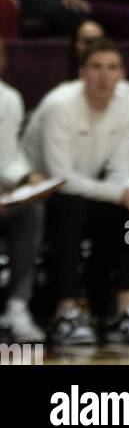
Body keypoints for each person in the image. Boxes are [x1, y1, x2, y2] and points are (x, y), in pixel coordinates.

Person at [22, 39, 129, 346]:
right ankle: (66, 311)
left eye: (112, 68)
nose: (104, 76)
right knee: (71, 209)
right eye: (96, 67)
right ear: (82, 72)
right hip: (42, 191)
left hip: (91, 190)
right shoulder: (60, 105)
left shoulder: (127, 103)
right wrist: (119, 192)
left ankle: (125, 309)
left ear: (123, 73)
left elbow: (120, 168)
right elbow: (61, 178)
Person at [0, 32, 49, 342]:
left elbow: (6, 159)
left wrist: (25, 178)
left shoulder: (8, 98)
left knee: (32, 208)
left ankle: (17, 307)